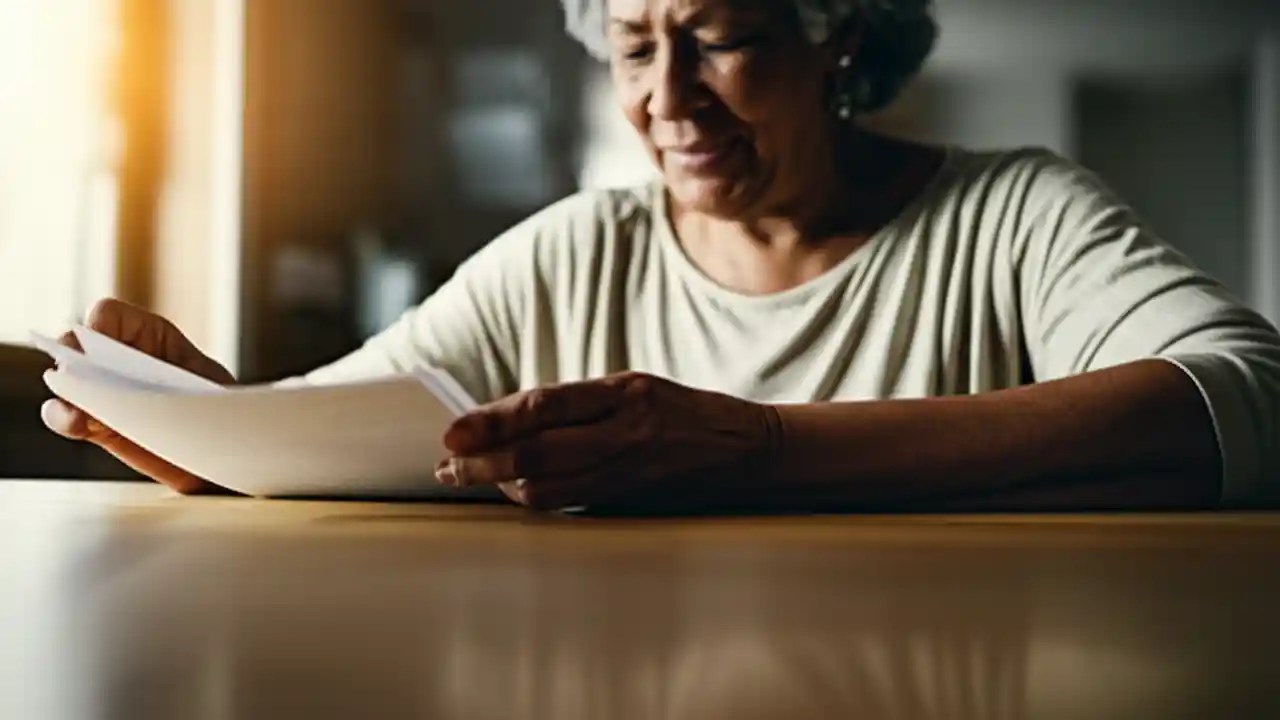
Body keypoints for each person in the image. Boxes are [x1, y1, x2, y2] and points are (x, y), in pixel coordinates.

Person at [43, 0, 1280, 512]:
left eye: (720, 38)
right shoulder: (579, 249)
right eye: (633, 47)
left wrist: (766, 445)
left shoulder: (1011, 214)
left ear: (835, 43)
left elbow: (1247, 395)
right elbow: (331, 435)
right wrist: (206, 423)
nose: (669, 98)